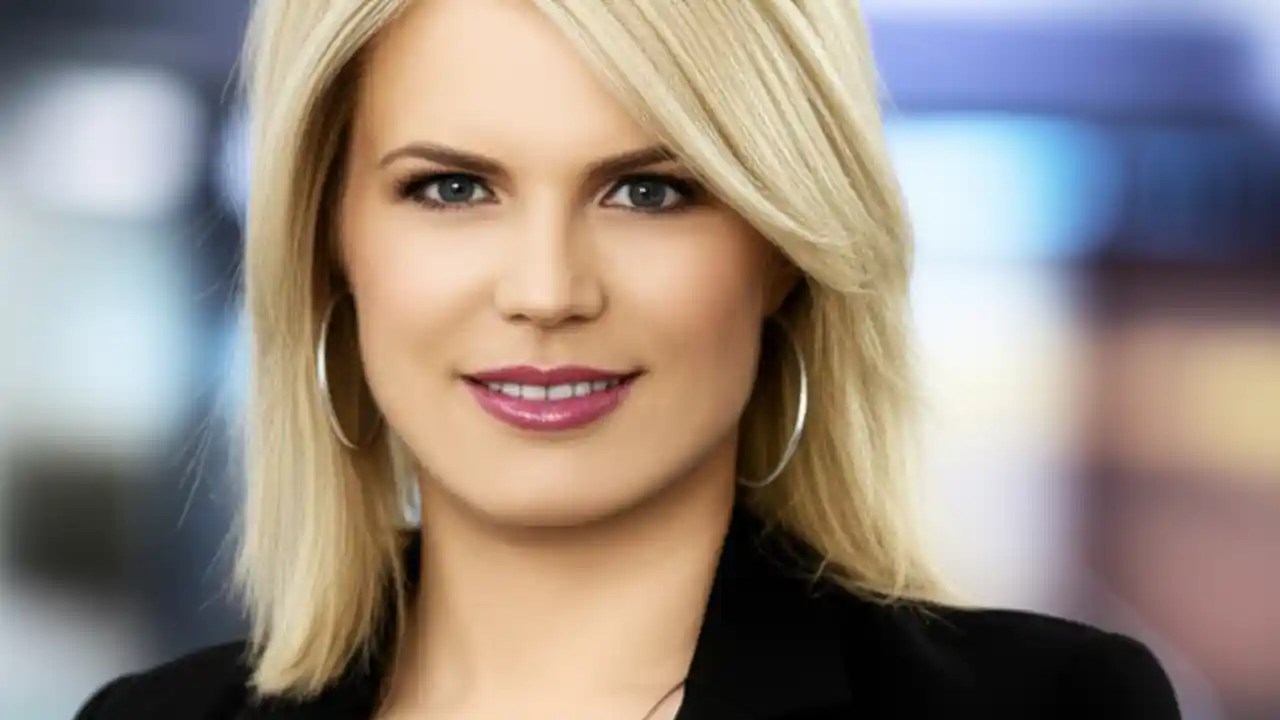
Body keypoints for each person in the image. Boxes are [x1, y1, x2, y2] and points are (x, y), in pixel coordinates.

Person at [74, 0, 1182, 718]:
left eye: (649, 190)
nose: (548, 291)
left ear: (783, 250)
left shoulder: (1049, 706)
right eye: (452, 188)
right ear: (331, 243)